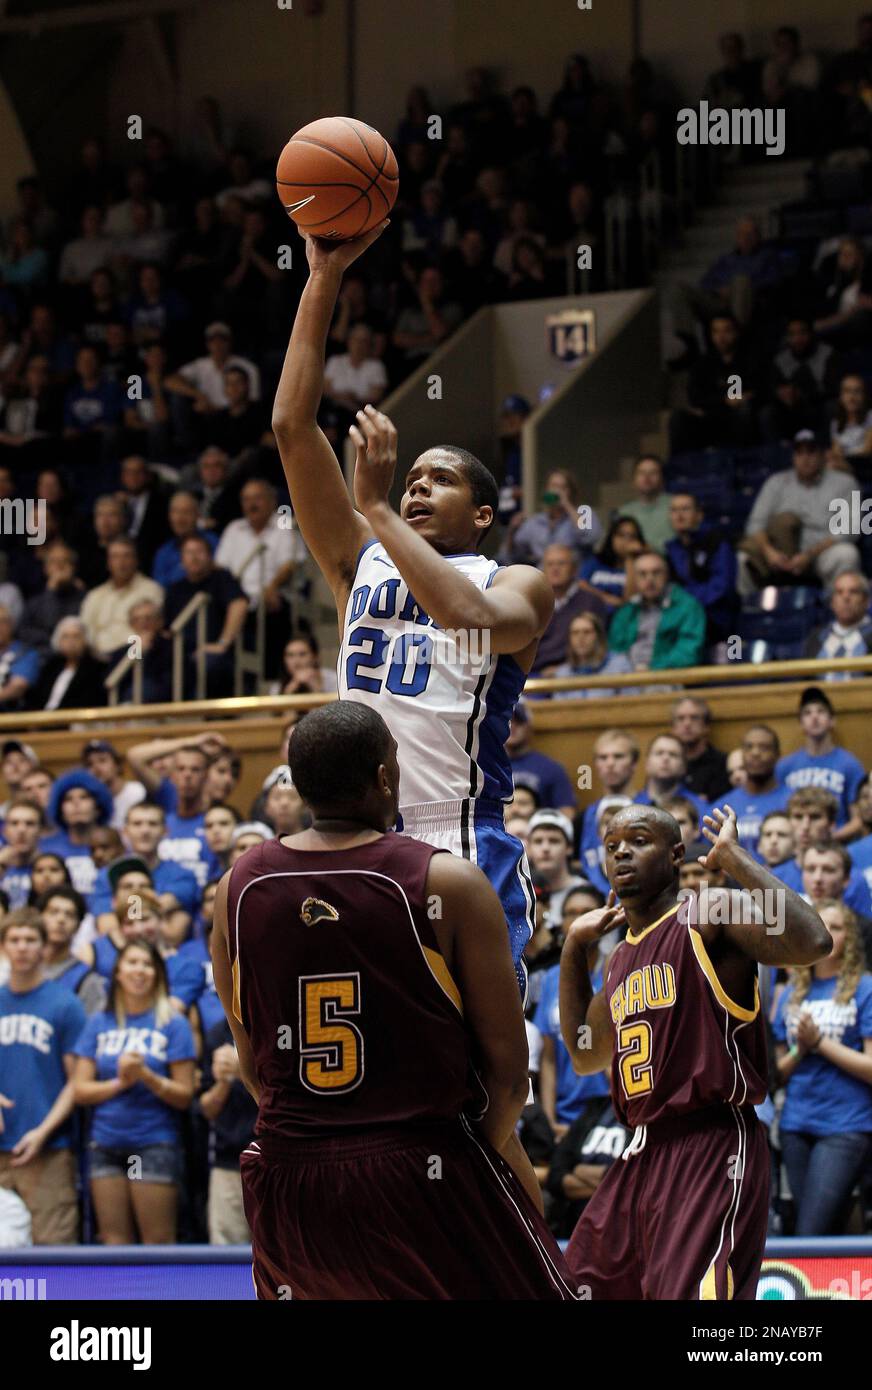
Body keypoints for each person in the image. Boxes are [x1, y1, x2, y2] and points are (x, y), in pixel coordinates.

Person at [210, 700, 578, 1300]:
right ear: (386, 777)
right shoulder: (446, 880)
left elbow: (253, 1065)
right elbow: (508, 1081)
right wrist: (451, 1170)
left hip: (288, 1176)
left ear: (298, 785)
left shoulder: (237, 887)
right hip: (419, 1167)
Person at [273, 222, 556, 997]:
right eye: (412, 480)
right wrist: (323, 276)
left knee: (474, 1063)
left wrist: (379, 509)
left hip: (459, 829)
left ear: (485, 513)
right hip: (354, 827)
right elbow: (292, 430)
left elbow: (467, 617)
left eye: (440, 479)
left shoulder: (517, 579)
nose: (418, 486)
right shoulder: (358, 555)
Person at [558, 802, 831, 1299]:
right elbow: (585, 1055)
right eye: (612, 845)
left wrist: (734, 859)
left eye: (638, 841)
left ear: (677, 853)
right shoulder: (620, 958)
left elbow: (812, 941)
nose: (621, 852)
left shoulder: (709, 912)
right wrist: (574, 949)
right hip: (641, 1150)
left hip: (713, 1141)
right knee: (576, 1287)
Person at [72, 938, 196, 1244]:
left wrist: (146, 1076)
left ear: (157, 974)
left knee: (158, 1244)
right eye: (132, 962)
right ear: (117, 972)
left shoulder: (173, 1023)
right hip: (105, 1144)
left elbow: (184, 1095)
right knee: (114, 1245)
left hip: (154, 1144)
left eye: (147, 964)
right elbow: (80, 1090)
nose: (139, 970)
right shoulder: (99, 1022)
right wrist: (121, 1083)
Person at [773, 901, 872, 1234]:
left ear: (851, 939)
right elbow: (775, 1074)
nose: (827, 933)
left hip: (846, 1124)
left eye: (837, 927)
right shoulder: (790, 995)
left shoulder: (865, 988)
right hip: (795, 1123)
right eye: (820, 924)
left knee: (810, 1232)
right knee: (824, 1224)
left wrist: (820, 1044)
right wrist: (801, 1051)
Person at [0, 909, 85, 1243]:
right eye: (14, 940)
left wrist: (42, 1131)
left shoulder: (65, 1004)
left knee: (54, 1254)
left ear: (43, 948)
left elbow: (77, 1080)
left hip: (48, 1149)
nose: (22, 947)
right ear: (4, 947)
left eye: (30, 940)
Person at [738, 431, 860, 595]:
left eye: (811, 452)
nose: (805, 458)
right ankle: (751, 611)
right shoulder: (776, 482)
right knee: (742, 559)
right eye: (799, 452)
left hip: (821, 554)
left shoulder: (844, 483)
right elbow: (755, 524)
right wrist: (769, 552)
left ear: (823, 455)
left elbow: (848, 530)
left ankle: (835, 611)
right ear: (793, 456)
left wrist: (808, 555)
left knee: (846, 554)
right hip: (779, 553)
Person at [535, 885, 610, 1143]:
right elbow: (548, 1059)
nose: (579, 919)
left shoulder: (618, 966)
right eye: (571, 913)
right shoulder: (550, 981)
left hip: (607, 1115)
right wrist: (549, 1119)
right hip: (564, 1115)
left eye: (588, 911)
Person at [198, 1020, 257, 1244]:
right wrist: (223, 1082)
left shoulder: (278, 1023)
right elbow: (205, 1109)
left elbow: (288, 1101)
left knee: (280, 1254)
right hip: (228, 1161)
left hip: (277, 1161)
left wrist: (243, 1071)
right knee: (226, 1256)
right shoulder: (218, 1033)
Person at [776, 686, 865, 832]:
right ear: (801, 723)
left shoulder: (850, 765)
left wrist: (832, 839)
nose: (814, 717)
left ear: (832, 721)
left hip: (835, 844)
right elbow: (778, 814)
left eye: (821, 711)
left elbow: (858, 819)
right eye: (808, 713)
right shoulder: (785, 766)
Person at [608, 551, 706, 672]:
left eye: (656, 573)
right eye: (642, 574)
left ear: (666, 575)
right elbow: (615, 649)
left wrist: (652, 669)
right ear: (635, 579)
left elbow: (688, 653)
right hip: (627, 677)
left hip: (668, 677)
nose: (650, 579)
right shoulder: (627, 610)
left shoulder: (688, 606)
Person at [665, 493, 738, 655]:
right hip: (683, 621)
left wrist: (686, 602)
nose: (679, 515)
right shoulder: (670, 549)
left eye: (685, 509)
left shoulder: (717, 542)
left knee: (731, 660)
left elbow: (722, 587)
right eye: (674, 510)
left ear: (699, 515)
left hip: (719, 622)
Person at [530, 543, 611, 673]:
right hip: (534, 675)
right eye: (550, 564)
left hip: (576, 673)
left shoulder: (592, 602)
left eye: (561, 563)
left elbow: (598, 645)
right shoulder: (533, 603)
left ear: (574, 569)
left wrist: (562, 670)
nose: (555, 569)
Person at [502, 469, 602, 568]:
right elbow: (511, 555)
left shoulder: (584, 513)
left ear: (571, 492)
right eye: (553, 486)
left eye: (562, 488)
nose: (557, 492)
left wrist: (566, 504)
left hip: (575, 577)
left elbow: (590, 538)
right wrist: (512, 530)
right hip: (544, 577)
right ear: (546, 490)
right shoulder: (535, 522)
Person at [719, 724, 788, 856]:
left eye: (764, 747)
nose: (755, 753)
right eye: (749, 747)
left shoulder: (791, 800)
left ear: (777, 755)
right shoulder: (722, 806)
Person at [506, 701, 576, 819]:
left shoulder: (552, 769)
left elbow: (567, 813)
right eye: (507, 720)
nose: (512, 726)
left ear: (529, 727)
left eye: (519, 721)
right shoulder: (485, 768)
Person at [804, 571, 872, 678]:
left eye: (853, 592)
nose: (846, 597)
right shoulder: (816, 637)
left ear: (866, 601)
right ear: (832, 602)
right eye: (839, 592)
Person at [550, 612, 633, 698]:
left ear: (598, 636)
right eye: (575, 633)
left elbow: (632, 706)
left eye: (587, 632)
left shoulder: (620, 666)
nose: (580, 638)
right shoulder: (563, 673)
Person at [526, 810, 590, 922]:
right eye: (538, 841)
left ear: (569, 848)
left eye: (554, 841)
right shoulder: (520, 893)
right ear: (529, 849)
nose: (545, 848)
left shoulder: (588, 894)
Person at [670, 696, 730, 802]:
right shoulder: (666, 764)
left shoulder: (723, 763)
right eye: (681, 718)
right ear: (673, 728)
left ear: (706, 726)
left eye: (694, 718)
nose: (687, 724)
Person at [579, 516, 645, 605]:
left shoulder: (641, 565)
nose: (626, 540)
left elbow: (630, 599)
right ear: (611, 537)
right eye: (621, 535)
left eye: (632, 536)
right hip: (591, 610)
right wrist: (606, 598)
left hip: (621, 616)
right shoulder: (596, 560)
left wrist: (630, 559)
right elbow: (581, 585)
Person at [616, 456, 674, 554]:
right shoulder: (624, 512)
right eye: (641, 473)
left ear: (662, 478)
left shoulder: (675, 505)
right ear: (634, 479)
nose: (647, 477)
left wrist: (647, 548)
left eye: (653, 473)